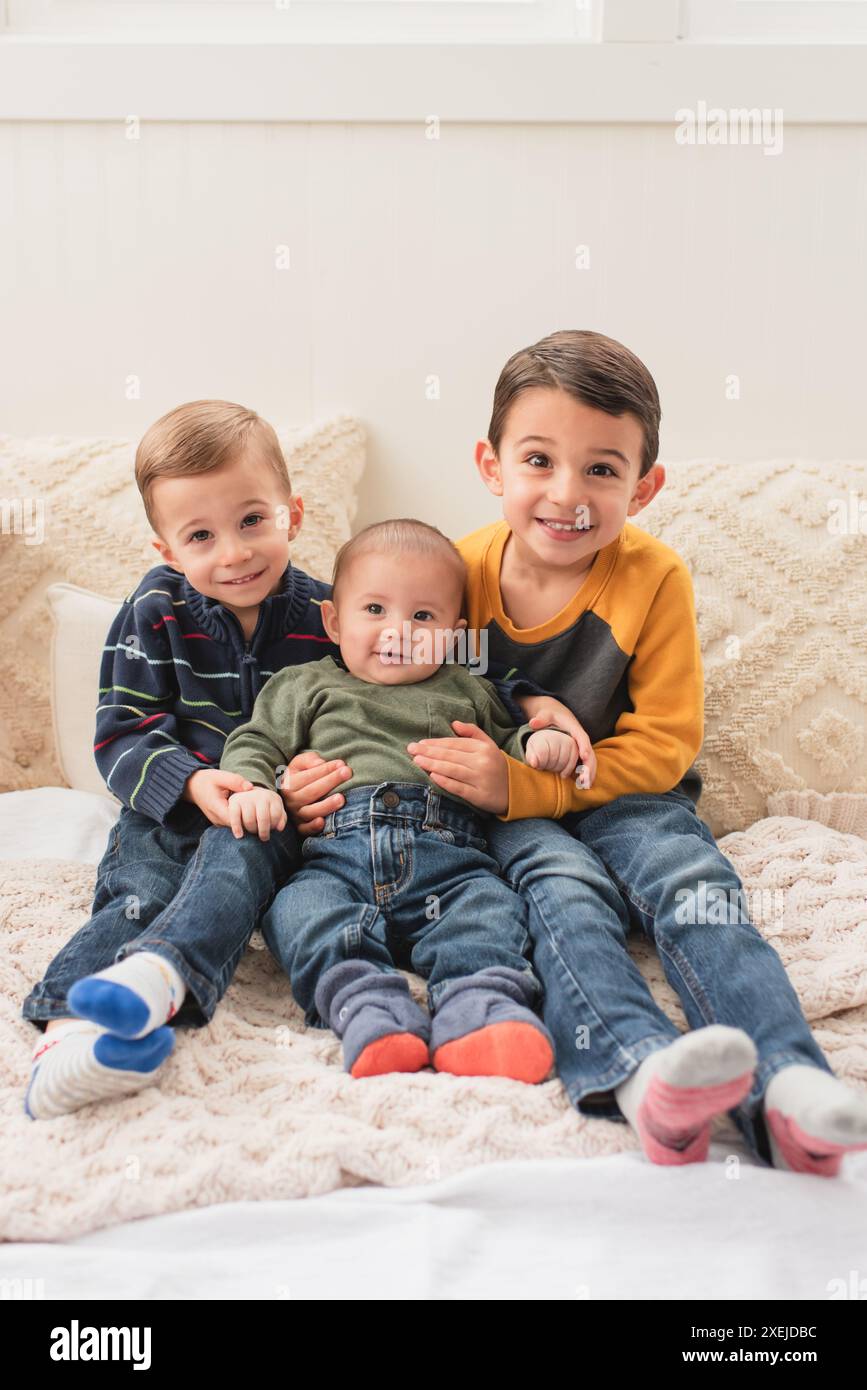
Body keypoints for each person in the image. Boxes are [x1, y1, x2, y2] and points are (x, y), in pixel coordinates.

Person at [290, 330, 867, 1178]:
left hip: (624, 792)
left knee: (693, 887)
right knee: (562, 899)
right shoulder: (455, 573)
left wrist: (535, 784)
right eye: (538, 460)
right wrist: (305, 767)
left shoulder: (654, 577)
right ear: (491, 467)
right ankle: (637, 1071)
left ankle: (784, 1081)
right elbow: (396, 686)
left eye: (601, 468)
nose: (567, 494)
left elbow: (665, 744)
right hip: (501, 806)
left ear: (644, 486)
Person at [222, 517, 589, 1082]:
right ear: (333, 620)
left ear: (453, 634)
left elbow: (506, 740)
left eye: (423, 616)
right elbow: (255, 739)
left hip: (450, 857)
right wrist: (252, 787)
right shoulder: (305, 685)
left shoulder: (466, 689)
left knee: (488, 914)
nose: (399, 631)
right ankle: (368, 1007)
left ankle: (482, 1011)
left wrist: (541, 743)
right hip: (334, 855)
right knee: (298, 912)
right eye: (375, 610)